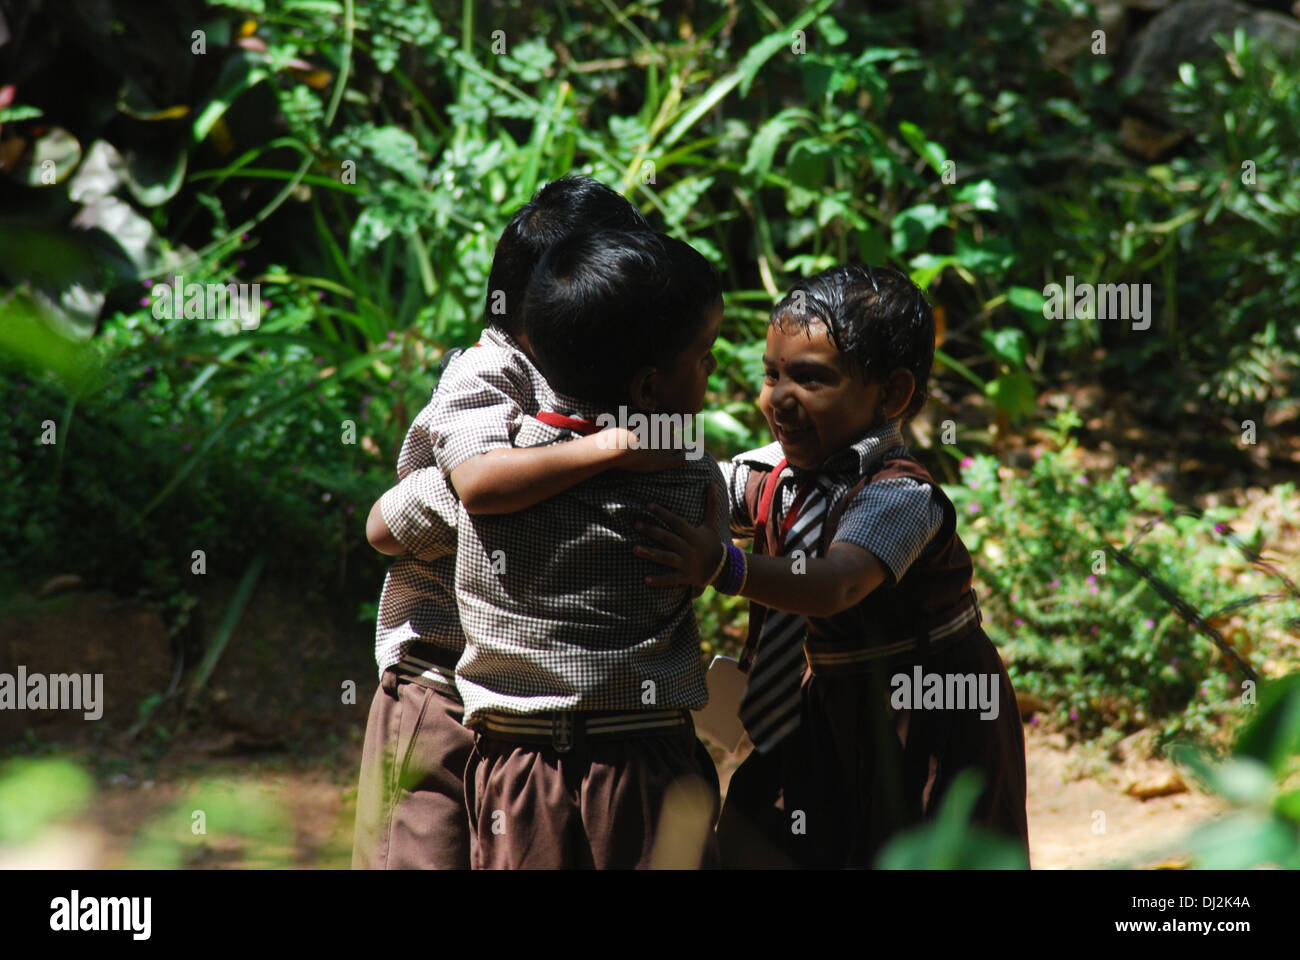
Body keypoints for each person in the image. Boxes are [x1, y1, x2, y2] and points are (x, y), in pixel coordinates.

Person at [635, 263, 1030, 868]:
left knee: (918, 842)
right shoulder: (773, 477)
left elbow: (836, 583)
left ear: (892, 395)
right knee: (762, 835)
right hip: (820, 701)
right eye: (771, 375)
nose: (779, 400)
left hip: (924, 712)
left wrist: (724, 568)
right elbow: (701, 491)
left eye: (811, 380)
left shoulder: (899, 496)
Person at [352, 176, 658, 869]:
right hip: (438, 686)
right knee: (422, 849)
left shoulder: (596, 378)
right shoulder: (489, 370)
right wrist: (599, 451)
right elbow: (469, 488)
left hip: (527, 708)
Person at [455, 229, 728, 869]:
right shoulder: (689, 481)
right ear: (651, 390)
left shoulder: (485, 464)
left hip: (515, 769)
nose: (713, 372)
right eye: (705, 356)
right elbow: (714, 547)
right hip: (643, 763)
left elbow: (390, 524)